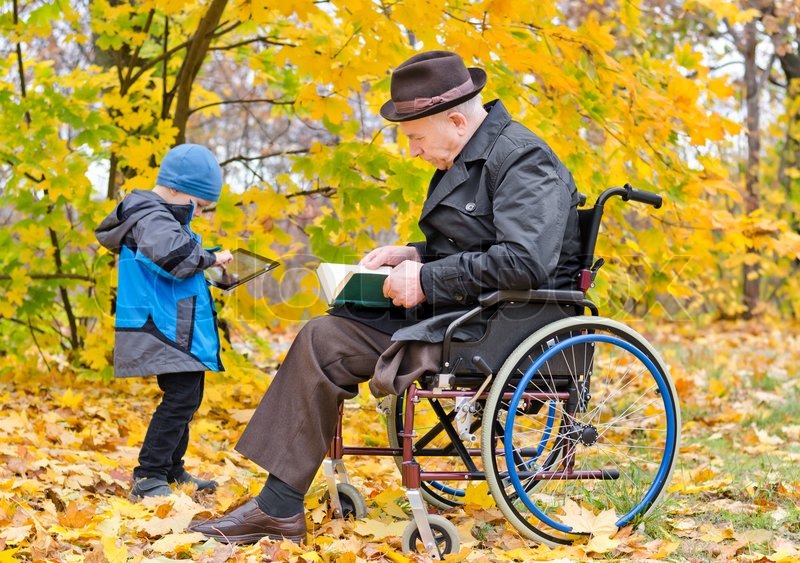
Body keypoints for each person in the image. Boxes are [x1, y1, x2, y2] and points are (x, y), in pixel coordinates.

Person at [189, 50, 582, 543]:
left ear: (456, 120)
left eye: (416, 137)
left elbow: (524, 262)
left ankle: (275, 507)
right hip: (460, 311)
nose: (413, 151)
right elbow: (473, 246)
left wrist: (426, 279)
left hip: (497, 326)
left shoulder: (523, 158)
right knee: (323, 335)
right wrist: (409, 254)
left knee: (327, 338)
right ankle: (279, 506)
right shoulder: (471, 154)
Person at [95, 143, 234, 500]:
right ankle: (148, 475)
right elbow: (175, 257)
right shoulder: (151, 215)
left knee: (188, 397)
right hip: (164, 329)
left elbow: (174, 268)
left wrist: (213, 270)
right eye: (198, 204)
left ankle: (172, 468)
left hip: (177, 328)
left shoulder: (161, 218)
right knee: (180, 399)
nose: (199, 214)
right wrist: (211, 257)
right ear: (174, 188)